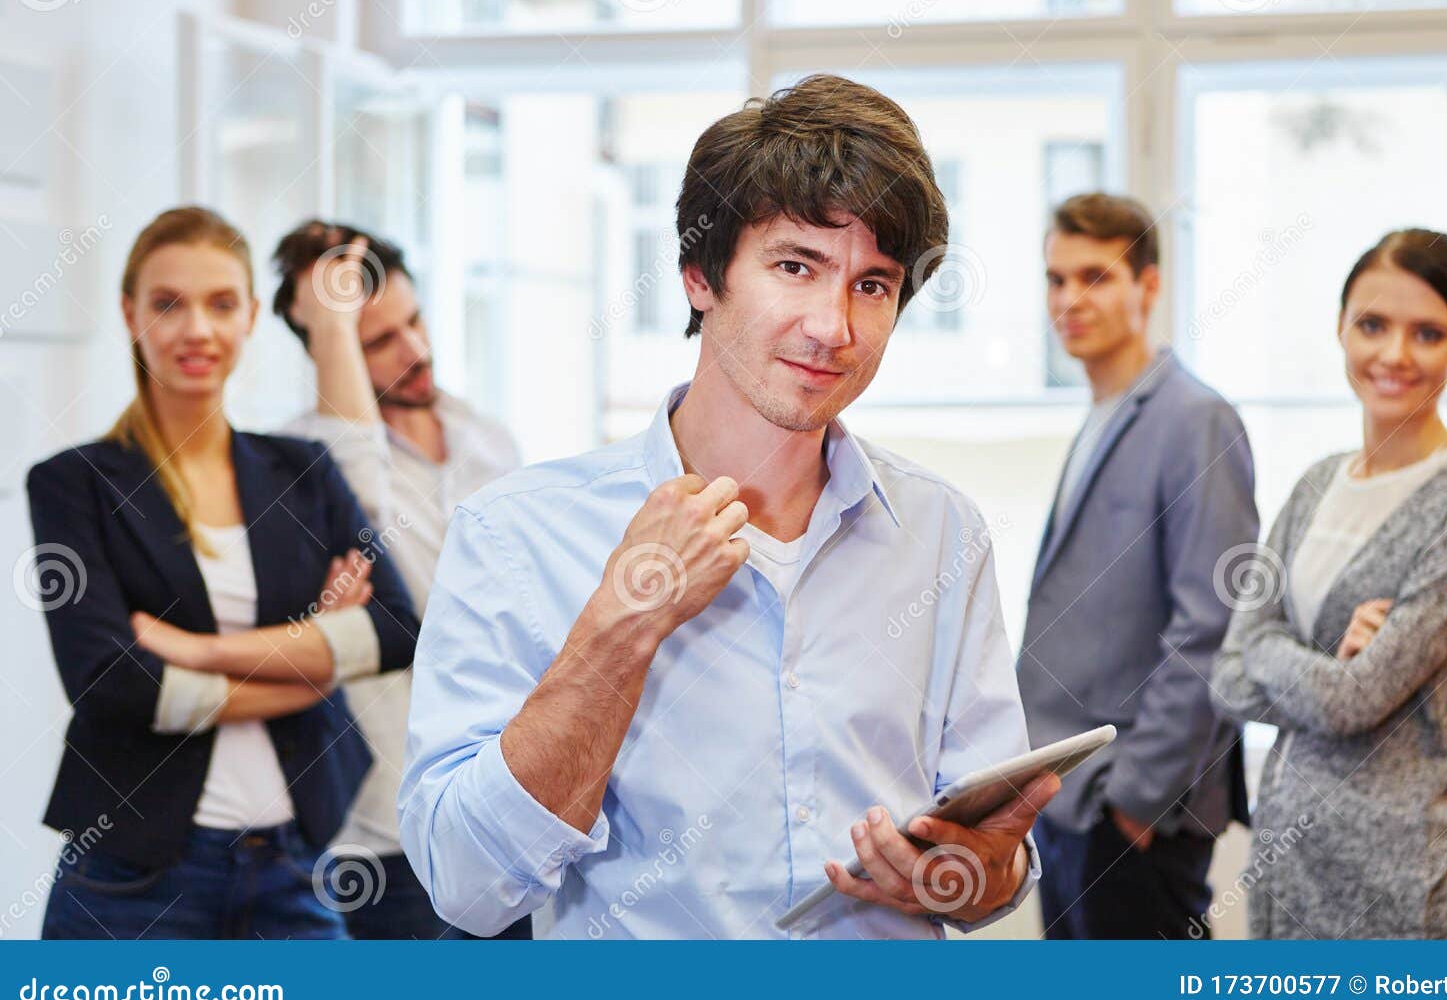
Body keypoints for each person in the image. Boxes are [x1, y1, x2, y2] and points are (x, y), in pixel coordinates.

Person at [399, 74, 1057, 939]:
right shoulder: (516, 534)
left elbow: (983, 869)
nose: (835, 327)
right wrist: (623, 623)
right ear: (700, 275)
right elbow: (469, 885)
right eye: (796, 266)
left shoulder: (942, 532)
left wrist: (972, 872)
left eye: (873, 284)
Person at [25, 206, 419, 939]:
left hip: (296, 865)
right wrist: (309, 667)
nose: (196, 330)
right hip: (132, 879)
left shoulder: (303, 471)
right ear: (129, 313)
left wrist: (196, 650)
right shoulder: (72, 483)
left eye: (221, 304)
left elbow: (395, 627)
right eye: (168, 304)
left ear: (249, 319)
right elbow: (111, 682)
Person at [1211, 228, 1447, 939]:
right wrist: (1304, 656)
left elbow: (1356, 697)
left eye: (1427, 333)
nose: (1393, 354)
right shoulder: (1316, 483)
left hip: (1405, 898)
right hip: (1289, 875)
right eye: (1373, 325)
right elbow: (1227, 679)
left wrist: (1270, 643)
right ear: (1341, 328)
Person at [271, 220, 525, 939]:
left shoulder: (486, 436)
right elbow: (365, 521)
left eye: (413, 321)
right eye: (378, 340)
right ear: (335, 349)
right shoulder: (301, 462)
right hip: (390, 832)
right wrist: (330, 326)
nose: (415, 349)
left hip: (506, 806)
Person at [1018, 193, 1257, 939]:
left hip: (1131, 811)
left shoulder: (1193, 418)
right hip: (1067, 794)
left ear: (1148, 286)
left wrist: (1135, 804)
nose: (1069, 299)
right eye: (1057, 279)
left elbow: (1211, 625)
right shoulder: (1101, 414)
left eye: (1095, 276)